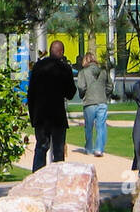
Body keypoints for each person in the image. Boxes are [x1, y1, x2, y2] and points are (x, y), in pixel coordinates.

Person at [27, 41, 77, 172]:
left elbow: (30, 93)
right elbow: (71, 93)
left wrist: (33, 116)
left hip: (41, 115)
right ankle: (58, 177)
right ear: (61, 52)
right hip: (57, 115)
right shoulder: (64, 68)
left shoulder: (38, 67)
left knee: (41, 147)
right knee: (58, 151)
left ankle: (37, 175)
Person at [76, 53, 111, 157]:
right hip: (102, 101)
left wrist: (83, 95)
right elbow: (110, 85)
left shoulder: (83, 72)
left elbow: (81, 87)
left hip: (89, 102)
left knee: (89, 127)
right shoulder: (104, 71)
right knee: (101, 126)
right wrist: (105, 94)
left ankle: (89, 148)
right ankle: (99, 149)